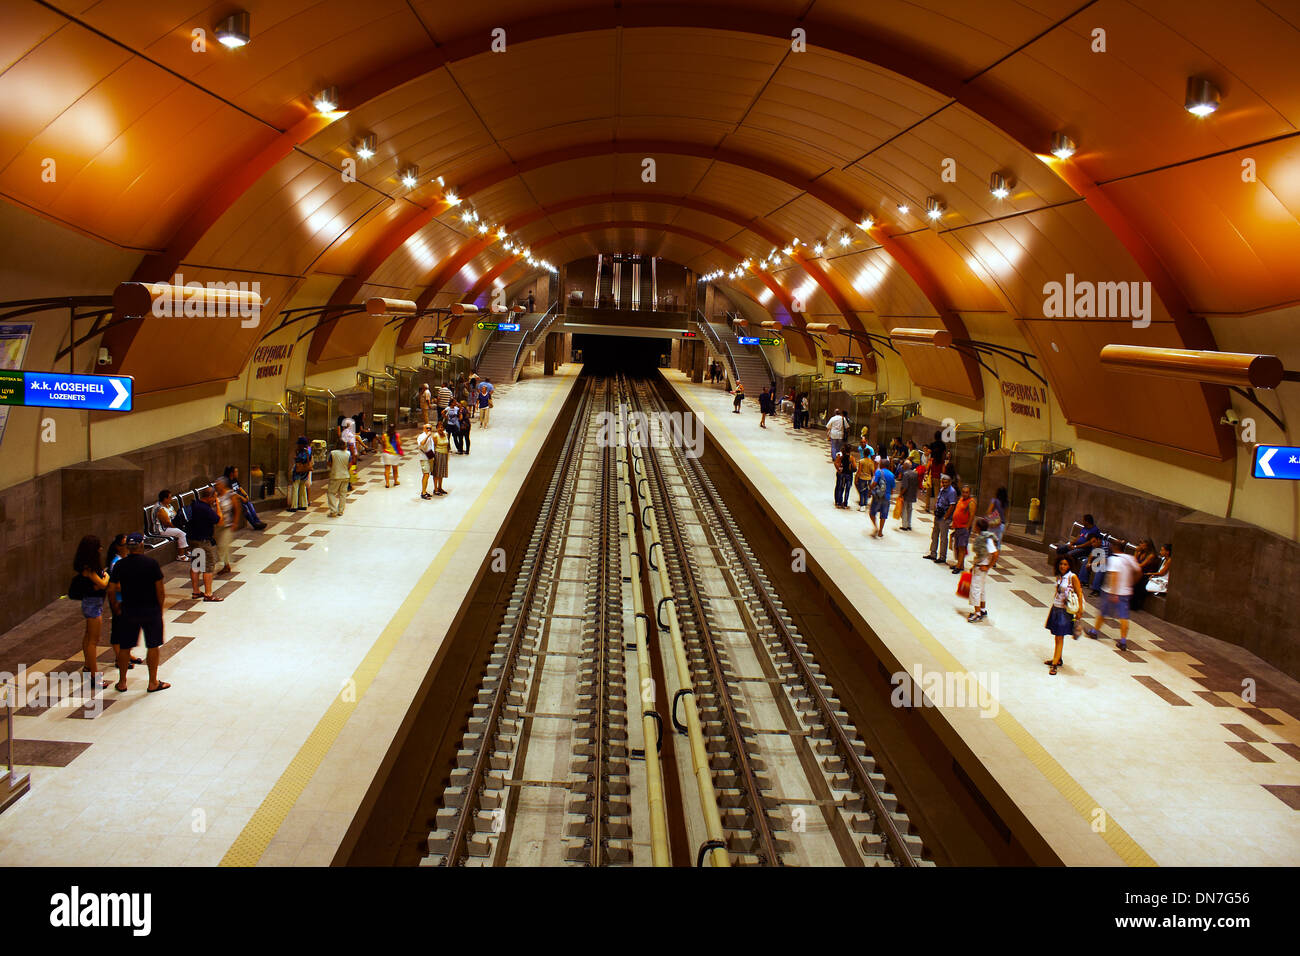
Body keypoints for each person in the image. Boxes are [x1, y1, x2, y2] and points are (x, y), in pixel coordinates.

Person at [106, 532, 169, 693]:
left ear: (128, 547)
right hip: (150, 609)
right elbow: (160, 590)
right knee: (153, 645)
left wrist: (115, 606)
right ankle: (153, 682)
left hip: (128, 609)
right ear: (141, 545)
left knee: (125, 646)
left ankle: (122, 682)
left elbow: (111, 589)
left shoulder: (120, 565)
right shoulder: (151, 563)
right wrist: (159, 609)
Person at [1085, 538, 1142, 650]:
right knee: (1124, 616)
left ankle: (1094, 631)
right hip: (1126, 592)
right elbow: (1139, 571)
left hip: (1112, 592)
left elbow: (1114, 576)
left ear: (1114, 548)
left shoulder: (1114, 559)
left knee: (1103, 613)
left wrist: (1114, 593)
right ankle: (1123, 641)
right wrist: (1131, 583)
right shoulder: (1130, 558)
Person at [72, 535, 110, 689]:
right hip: (93, 605)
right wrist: (107, 576)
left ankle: (88, 666)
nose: (101, 549)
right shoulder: (89, 568)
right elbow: (102, 584)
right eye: (98, 547)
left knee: (89, 637)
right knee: (93, 641)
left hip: (91, 604)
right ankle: (94, 676)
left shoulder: (85, 565)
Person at [1044, 556, 1084, 675]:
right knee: (1057, 635)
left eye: (1065, 564)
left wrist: (1080, 610)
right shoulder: (1060, 577)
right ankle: (1058, 658)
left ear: (1069, 565)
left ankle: (1055, 664)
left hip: (1065, 611)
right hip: (1056, 608)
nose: (1063, 566)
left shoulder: (1072, 577)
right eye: (1061, 564)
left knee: (1059, 636)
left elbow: (1079, 593)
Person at [186, 487, 223, 602]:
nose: (215, 500)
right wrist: (217, 505)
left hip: (192, 539)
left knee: (196, 565)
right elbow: (220, 521)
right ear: (210, 497)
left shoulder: (195, 504)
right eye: (214, 498)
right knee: (208, 566)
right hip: (203, 541)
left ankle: (196, 592)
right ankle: (208, 594)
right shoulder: (206, 509)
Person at [967, 517, 999, 623]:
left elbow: (995, 553)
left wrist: (988, 566)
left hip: (982, 567)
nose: (974, 527)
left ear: (979, 527)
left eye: (975, 525)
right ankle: (982, 609)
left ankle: (977, 614)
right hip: (980, 566)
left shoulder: (986, 539)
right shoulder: (983, 537)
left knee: (975, 590)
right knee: (981, 589)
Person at [223, 466, 267, 530]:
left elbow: (240, 488)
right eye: (236, 472)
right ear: (231, 473)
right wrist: (242, 498)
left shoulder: (235, 479)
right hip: (235, 500)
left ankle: (258, 521)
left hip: (241, 498)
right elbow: (233, 494)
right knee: (245, 508)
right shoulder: (228, 482)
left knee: (250, 505)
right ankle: (254, 524)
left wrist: (246, 495)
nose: (237, 473)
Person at [925, 475, 957, 564]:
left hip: (944, 517)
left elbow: (952, 505)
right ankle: (933, 554)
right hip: (938, 515)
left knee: (943, 537)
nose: (944, 484)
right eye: (943, 482)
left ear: (950, 482)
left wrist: (946, 517)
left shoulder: (951, 492)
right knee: (934, 534)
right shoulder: (942, 489)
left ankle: (942, 557)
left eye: (946, 482)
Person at [214, 476, 241, 576]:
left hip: (228, 524)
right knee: (219, 546)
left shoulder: (230, 494)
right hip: (217, 524)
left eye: (218, 484)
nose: (217, 486)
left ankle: (226, 564)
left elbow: (237, 509)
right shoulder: (215, 495)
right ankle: (226, 564)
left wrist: (235, 522)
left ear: (223, 484)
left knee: (223, 545)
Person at [949, 484, 977, 573]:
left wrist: (967, 527)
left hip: (963, 528)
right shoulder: (961, 499)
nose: (965, 494)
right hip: (957, 527)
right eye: (964, 492)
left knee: (962, 547)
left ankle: (958, 567)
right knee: (957, 546)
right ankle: (960, 565)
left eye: (967, 492)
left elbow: (972, 516)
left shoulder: (971, 502)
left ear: (969, 493)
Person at [154, 490, 189, 560]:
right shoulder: (160, 509)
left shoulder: (168, 505)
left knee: (188, 527)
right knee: (181, 533)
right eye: (170, 497)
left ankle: (187, 551)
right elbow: (167, 523)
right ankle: (181, 556)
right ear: (164, 499)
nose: (172, 499)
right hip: (162, 529)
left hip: (171, 526)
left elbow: (175, 515)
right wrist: (179, 526)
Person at [868, 457, 895, 538]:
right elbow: (892, 489)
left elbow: (875, 483)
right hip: (886, 497)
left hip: (878, 496)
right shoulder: (892, 475)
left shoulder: (879, 472)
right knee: (883, 515)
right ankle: (880, 531)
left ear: (881, 465)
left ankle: (875, 527)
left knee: (872, 513)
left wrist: (870, 490)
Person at [327, 443, 352, 516]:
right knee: (343, 494)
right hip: (345, 476)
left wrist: (334, 468)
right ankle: (341, 511)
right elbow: (349, 465)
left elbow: (329, 463)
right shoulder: (348, 453)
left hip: (335, 475)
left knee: (331, 493)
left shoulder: (333, 453)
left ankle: (333, 511)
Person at [289, 436, 311, 511]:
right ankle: (303, 504)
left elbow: (300, 459)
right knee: (302, 488)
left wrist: (296, 456)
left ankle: (294, 506)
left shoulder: (303, 451)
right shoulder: (309, 450)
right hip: (305, 472)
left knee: (295, 488)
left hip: (298, 472)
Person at [926, 431, 946, 512]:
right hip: (938, 472)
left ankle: (927, 506)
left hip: (931, 470)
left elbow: (927, 454)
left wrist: (926, 472)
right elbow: (944, 454)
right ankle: (936, 508)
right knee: (937, 492)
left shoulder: (932, 444)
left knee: (929, 491)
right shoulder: (943, 445)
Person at [896, 460, 919, 531]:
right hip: (913, 494)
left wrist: (900, 494)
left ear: (905, 466)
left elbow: (905, 486)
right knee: (910, 509)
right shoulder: (915, 473)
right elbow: (917, 485)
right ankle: (909, 524)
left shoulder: (906, 474)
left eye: (903, 465)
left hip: (906, 494)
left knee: (904, 509)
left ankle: (904, 525)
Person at [432, 419, 451, 496]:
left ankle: (440, 487)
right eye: (439, 427)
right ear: (437, 428)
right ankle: (435, 488)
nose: (441, 429)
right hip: (438, 454)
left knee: (442, 472)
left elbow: (448, 444)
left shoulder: (446, 434)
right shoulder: (435, 436)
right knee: (436, 472)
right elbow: (433, 446)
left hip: (444, 454)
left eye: (442, 427)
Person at [417, 422, 436, 500]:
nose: (429, 430)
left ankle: (425, 490)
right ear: (424, 429)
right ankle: (423, 492)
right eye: (427, 428)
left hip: (430, 457)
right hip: (424, 458)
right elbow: (421, 444)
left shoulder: (430, 437)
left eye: (430, 428)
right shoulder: (421, 436)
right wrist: (427, 436)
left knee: (427, 475)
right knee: (426, 474)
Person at [853, 446, 875, 512]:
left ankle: (862, 505)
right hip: (868, 478)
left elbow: (859, 471)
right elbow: (872, 471)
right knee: (866, 492)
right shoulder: (871, 461)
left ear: (864, 453)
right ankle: (865, 504)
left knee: (861, 491)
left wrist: (856, 478)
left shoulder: (861, 461)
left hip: (862, 478)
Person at [833, 443, 854, 509]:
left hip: (841, 474)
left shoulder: (840, 456)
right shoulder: (851, 458)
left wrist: (839, 470)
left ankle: (838, 502)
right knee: (847, 489)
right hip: (848, 474)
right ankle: (845, 503)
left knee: (840, 487)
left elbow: (836, 463)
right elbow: (855, 467)